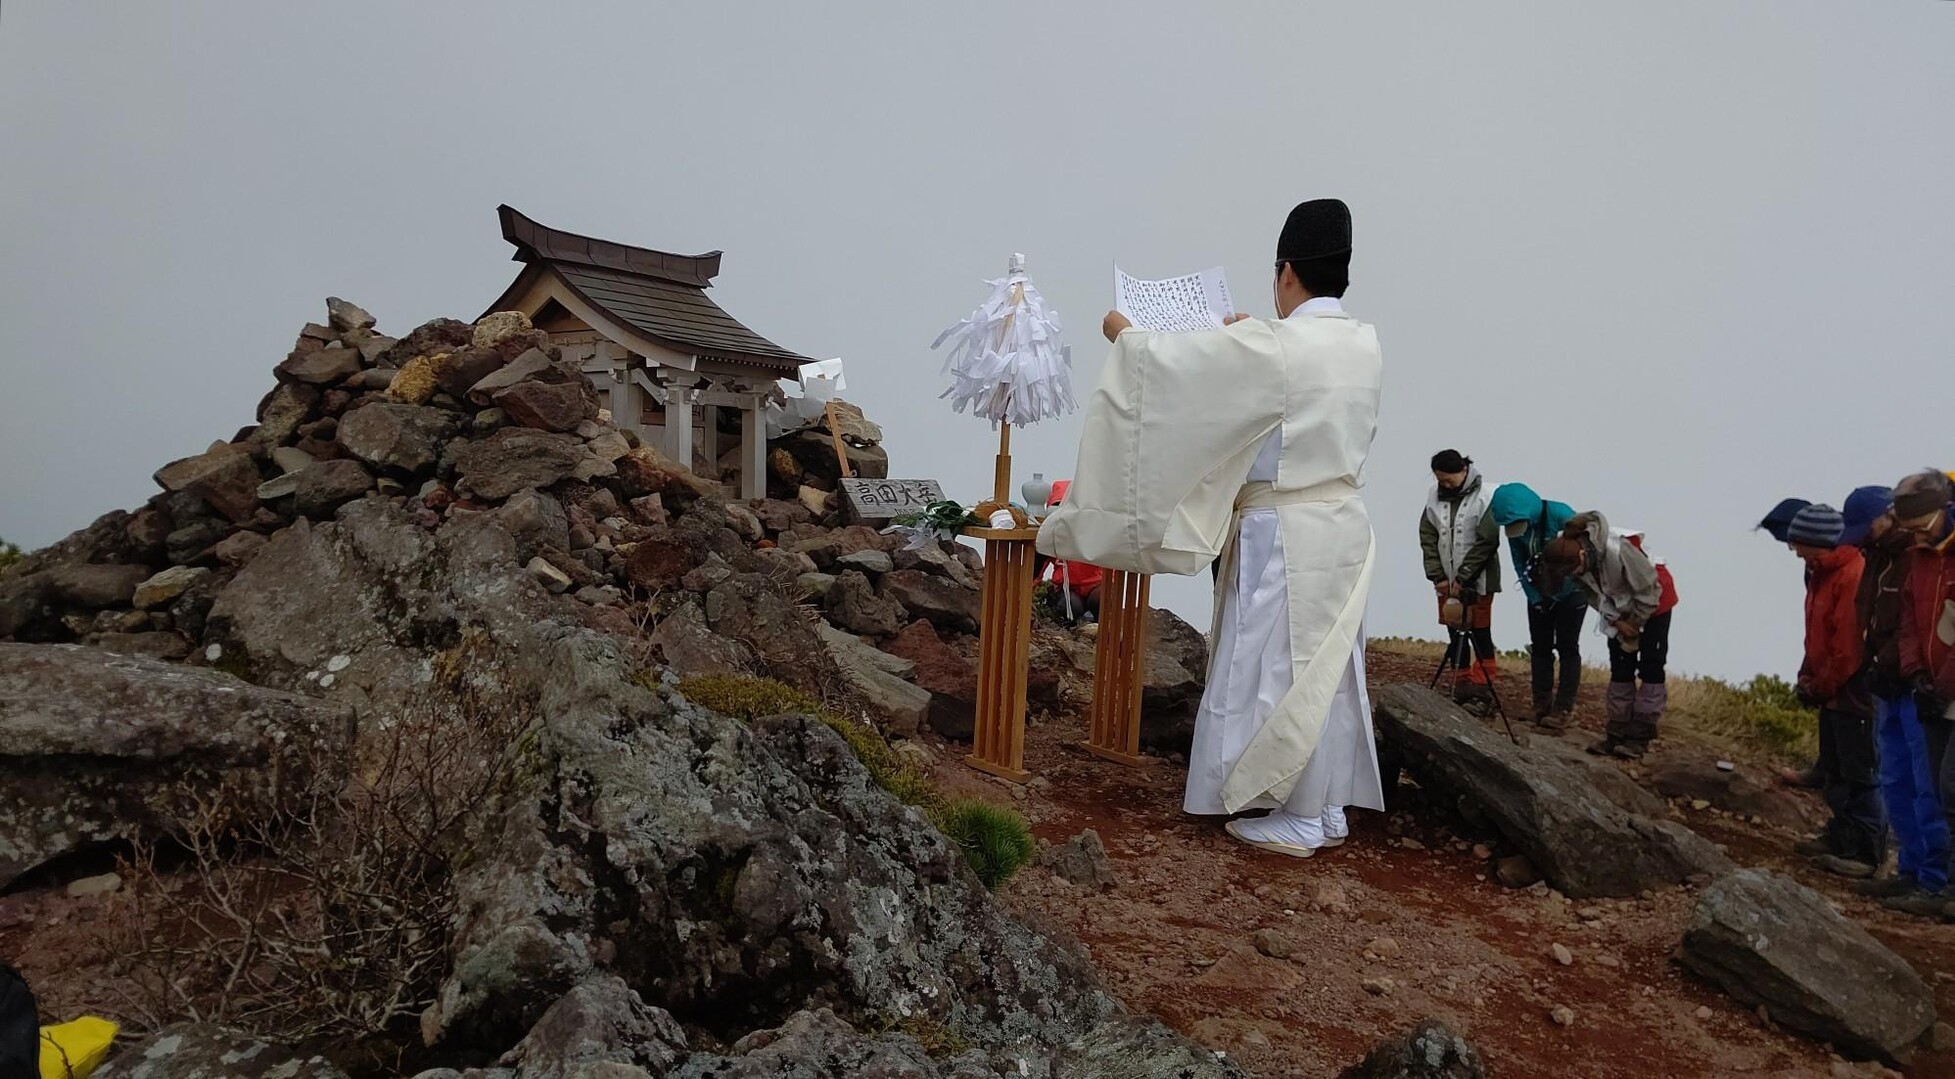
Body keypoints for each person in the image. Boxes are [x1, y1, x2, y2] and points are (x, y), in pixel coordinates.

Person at [1041, 197, 1383, 858]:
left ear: (1286, 272)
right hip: (1343, 525)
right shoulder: (1361, 342)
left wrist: (1127, 338)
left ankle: (1299, 814)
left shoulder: (1274, 346)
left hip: (1284, 529)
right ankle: (1327, 805)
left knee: (1280, 667)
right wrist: (1251, 338)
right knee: (1329, 669)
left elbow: (1180, 376)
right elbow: (1286, 378)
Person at [1840, 485, 1950, 909]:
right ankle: (1911, 868)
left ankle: (1934, 877)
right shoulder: (1879, 557)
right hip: (1893, 682)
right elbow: (1887, 618)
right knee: (1895, 780)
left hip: (1919, 688)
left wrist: (1910, 671)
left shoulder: (1920, 556)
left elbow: (1921, 623)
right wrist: (1878, 664)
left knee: (1928, 785)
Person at [1776, 503, 1884, 878]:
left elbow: (1848, 646)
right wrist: (1808, 674)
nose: (1795, 551)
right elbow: (1819, 635)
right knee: (1835, 767)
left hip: (1853, 689)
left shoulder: (1850, 573)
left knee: (1859, 773)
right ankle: (1841, 837)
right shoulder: (1822, 572)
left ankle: (1865, 853)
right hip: (1834, 689)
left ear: (1819, 541)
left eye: (1799, 544)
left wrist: (1820, 685)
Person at [1537, 510, 1676, 757]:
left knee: (1651, 666)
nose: (1574, 575)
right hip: (1618, 609)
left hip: (1654, 603)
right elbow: (1591, 594)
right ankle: (1616, 731)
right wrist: (1616, 621)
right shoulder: (1567, 557)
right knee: (1620, 665)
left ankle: (1640, 735)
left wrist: (1634, 624)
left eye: (1574, 570)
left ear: (1583, 554)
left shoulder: (1619, 550)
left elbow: (1649, 592)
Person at [1893, 469, 1955, 918]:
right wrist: (1915, 671)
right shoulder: (1919, 555)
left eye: (1919, 525)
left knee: (1952, 786)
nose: (1914, 535)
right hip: (1932, 688)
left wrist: (1943, 685)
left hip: (1947, 688)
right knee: (1938, 789)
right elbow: (1911, 618)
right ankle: (1945, 887)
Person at [1487, 484, 1586, 728]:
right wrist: (1535, 597)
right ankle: (1540, 705)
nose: (1515, 529)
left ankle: (1563, 709)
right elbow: (1519, 563)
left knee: (1567, 647)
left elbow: (1583, 554)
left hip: (1573, 592)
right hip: (1540, 592)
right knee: (1540, 647)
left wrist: (1563, 590)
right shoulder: (1515, 531)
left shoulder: (1561, 514)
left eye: (1517, 522)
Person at [1421, 450, 1502, 712]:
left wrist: (1465, 576)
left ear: (1463, 471)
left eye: (1448, 480)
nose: (1444, 485)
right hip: (1445, 580)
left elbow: (1488, 540)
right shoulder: (1433, 497)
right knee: (1454, 630)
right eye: (1440, 480)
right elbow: (1427, 535)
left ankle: (1482, 689)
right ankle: (1461, 682)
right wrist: (1437, 574)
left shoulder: (1486, 496)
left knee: (1480, 632)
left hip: (1479, 581)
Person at [1037, 480, 1104, 624]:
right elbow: (1037, 568)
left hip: (1096, 585)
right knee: (1070, 607)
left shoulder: (1095, 530)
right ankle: (1075, 627)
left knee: (1102, 599)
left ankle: (1101, 629)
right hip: (1067, 588)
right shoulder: (1051, 535)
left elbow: (1112, 562)